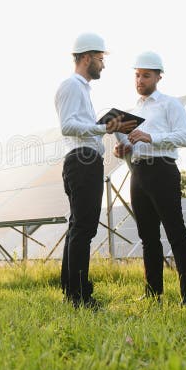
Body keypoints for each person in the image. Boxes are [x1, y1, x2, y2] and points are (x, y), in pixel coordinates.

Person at [55, 32, 138, 308]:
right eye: (101, 59)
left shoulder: (82, 90)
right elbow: (67, 126)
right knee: (84, 228)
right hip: (82, 161)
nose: (103, 64)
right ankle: (80, 296)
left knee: (78, 226)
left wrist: (105, 128)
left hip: (83, 160)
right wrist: (105, 127)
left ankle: (71, 290)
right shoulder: (71, 86)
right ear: (87, 58)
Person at [113, 51, 186, 304]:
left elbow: (185, 137)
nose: (140, 80)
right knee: (147, 237)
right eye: (137, 75)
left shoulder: (170, 104)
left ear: (159, 77)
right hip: (138, 172)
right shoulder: (132, 111)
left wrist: (151, 137)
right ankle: (153, 294)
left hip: (162, 170)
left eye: (146, 76)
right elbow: (134, 143)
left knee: (175, 232)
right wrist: (124, 149)